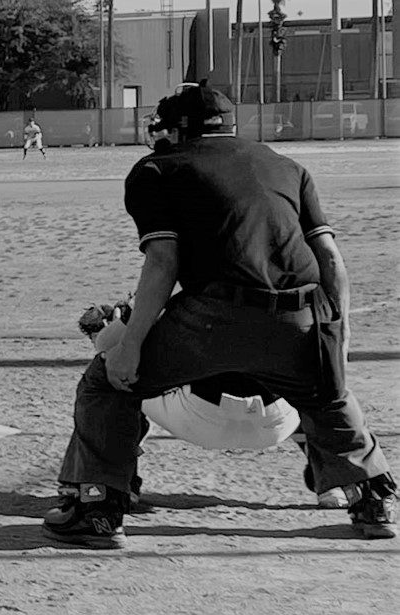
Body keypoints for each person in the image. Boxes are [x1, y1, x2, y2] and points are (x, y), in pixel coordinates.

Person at [43, 81, 395, 549]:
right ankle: (372, 500)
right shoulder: (286, 165)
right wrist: (339, 335)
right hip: (303, 311)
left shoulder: (158, 169)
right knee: (328, 392)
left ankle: (98, 509)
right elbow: (330, 259)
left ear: (180, 129)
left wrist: (128, 348)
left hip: (215, 313)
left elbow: (163, 262)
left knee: (109, 381)